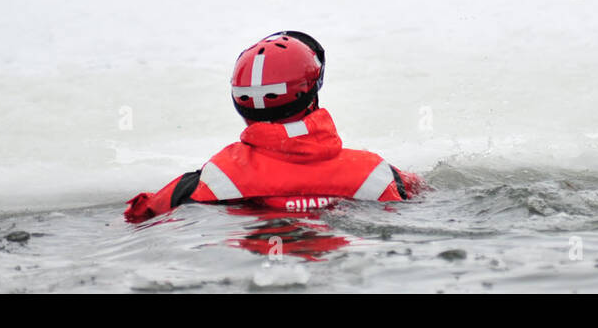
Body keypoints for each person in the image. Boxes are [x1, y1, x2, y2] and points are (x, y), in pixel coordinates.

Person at [124, 31, 423, 221]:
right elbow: (425, 192)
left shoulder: (212, 178)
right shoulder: (377, 174)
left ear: (240, 104)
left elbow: (138, 214)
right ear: (312, 93)